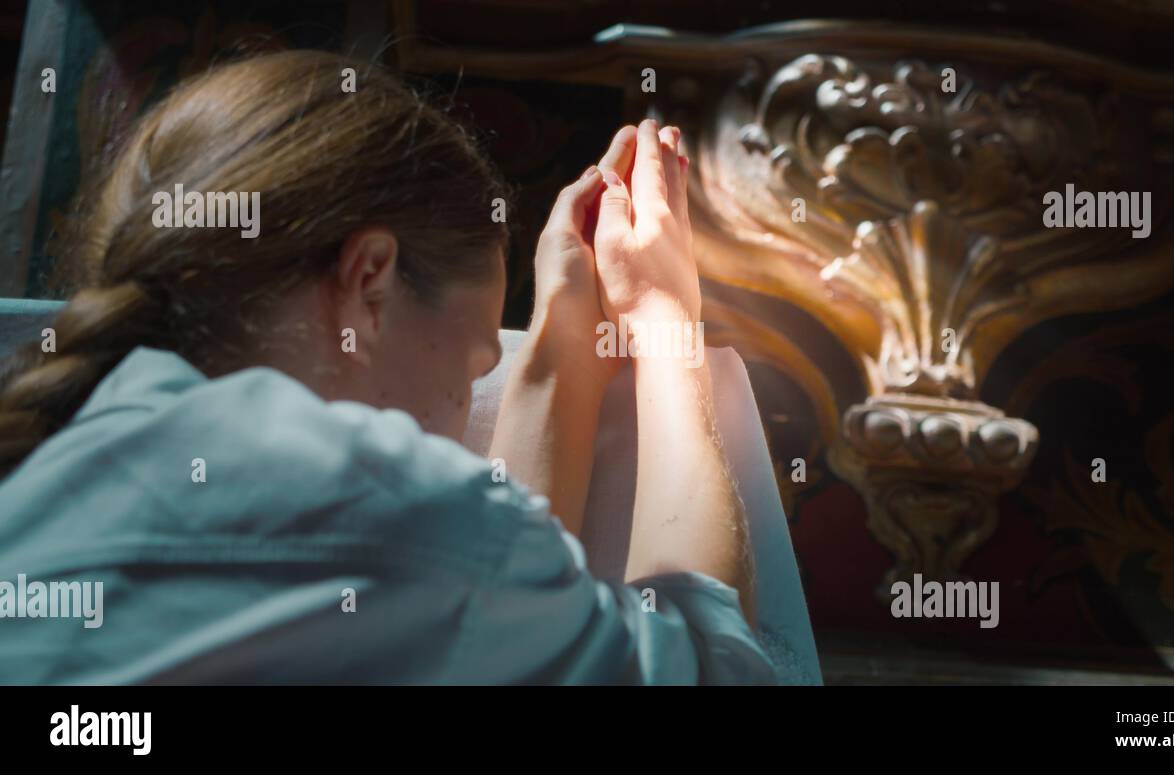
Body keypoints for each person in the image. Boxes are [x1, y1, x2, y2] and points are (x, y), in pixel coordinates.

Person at [0, 50, 775, 684]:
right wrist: (668, 325)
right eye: (479, 368)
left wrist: (559, 351)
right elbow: (711, 668)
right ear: (371, 280)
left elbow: (469, 611)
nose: (470, 402)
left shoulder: (51, 472)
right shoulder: (367, 504)